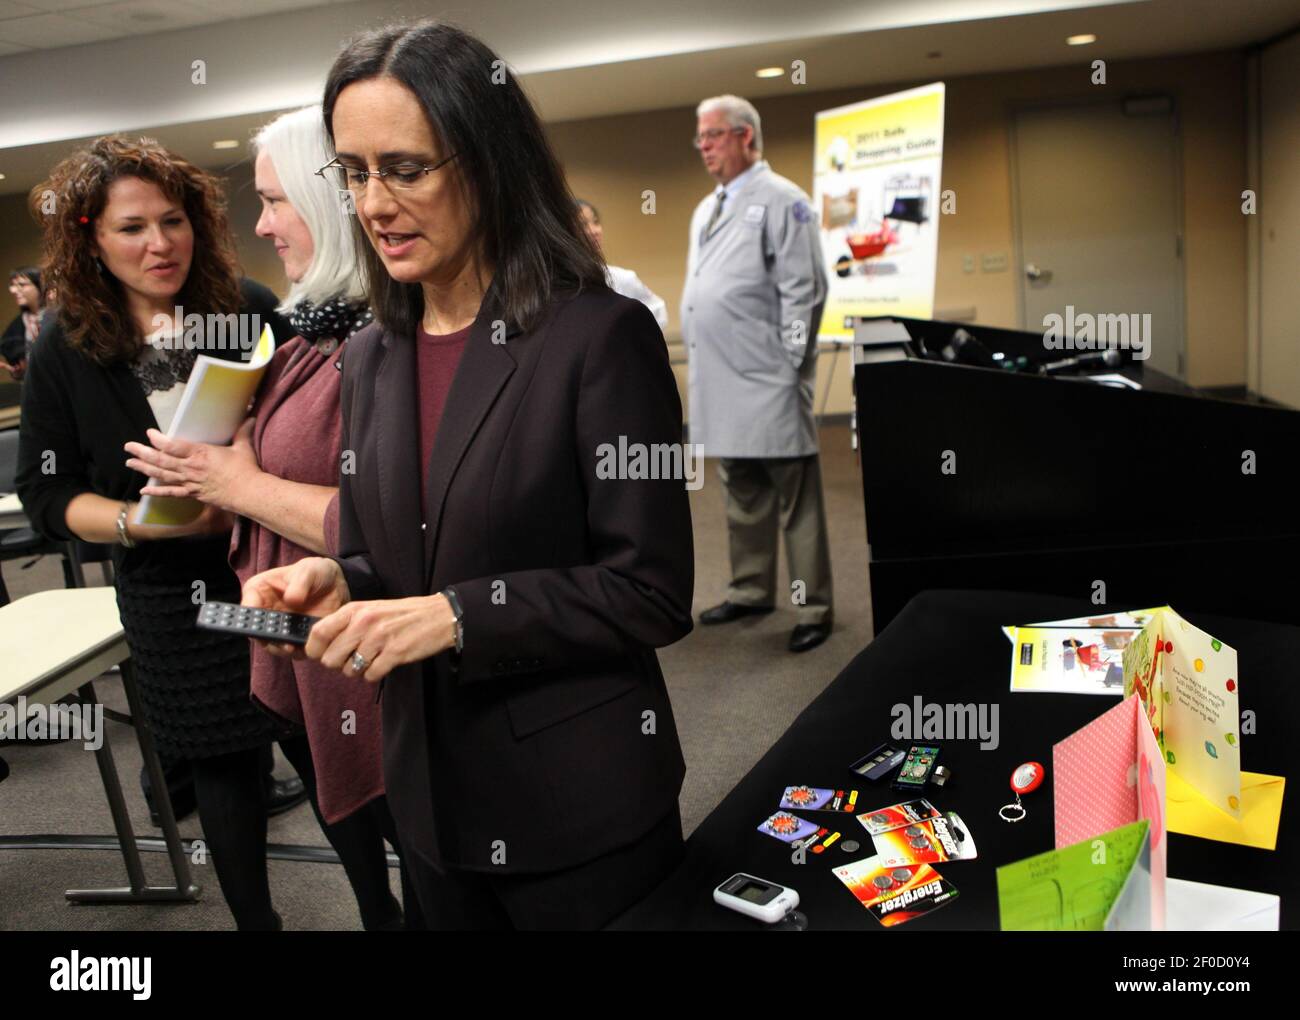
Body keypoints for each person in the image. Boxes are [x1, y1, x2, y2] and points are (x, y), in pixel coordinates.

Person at [241, 20, 694, 930]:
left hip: (575, 811)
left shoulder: (596, 336)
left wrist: (455, 618)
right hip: (429, 803)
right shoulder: (371, 355)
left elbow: (649, 592)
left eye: (405, 168)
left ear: (488, 161)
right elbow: (383, 560)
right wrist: (335, 581)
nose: (373, 204)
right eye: (353, 172)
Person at [123, 106, 419, 930]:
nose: (261, 223)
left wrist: (233, 478)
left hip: (364, 631)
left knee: (419, 834)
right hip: (290, 615)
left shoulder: (376, 336)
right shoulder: (310, 331)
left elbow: (397, 520)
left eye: (274, 200)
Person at [16, 135, 298, 930]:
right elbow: (46, 490)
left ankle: (384, 912)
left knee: (319, 738)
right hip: (175, 598)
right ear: (90, 238)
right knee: (225, 770)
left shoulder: (246, 311)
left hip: (275, 566)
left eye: (172, 221)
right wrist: (136, 526)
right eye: (132, 227)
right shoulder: (69, 346)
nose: (160, 243)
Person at [681, 94, 834, 654]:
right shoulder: (708, 207)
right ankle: (750, 590)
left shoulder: (785, 201)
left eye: (714, 135)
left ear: (746, 136)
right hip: (722, 381)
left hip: (769, 379)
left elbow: (807, 289)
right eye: (700, 137)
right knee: (740, 490)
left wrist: (792, 364)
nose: (704, 146)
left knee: (796, 499)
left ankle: (812, 605)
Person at [576, 199, 669, 331]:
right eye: (583, 224)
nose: (594, 230)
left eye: (596, 222)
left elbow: (658, 312)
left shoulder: (623, 279)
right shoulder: (554, 285)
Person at [2, 267, 49, 379]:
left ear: (40, 286)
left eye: (22, 285)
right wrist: (18, 372)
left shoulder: (57, 317)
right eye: (12, 285)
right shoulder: (18, 325)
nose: (13, 290)